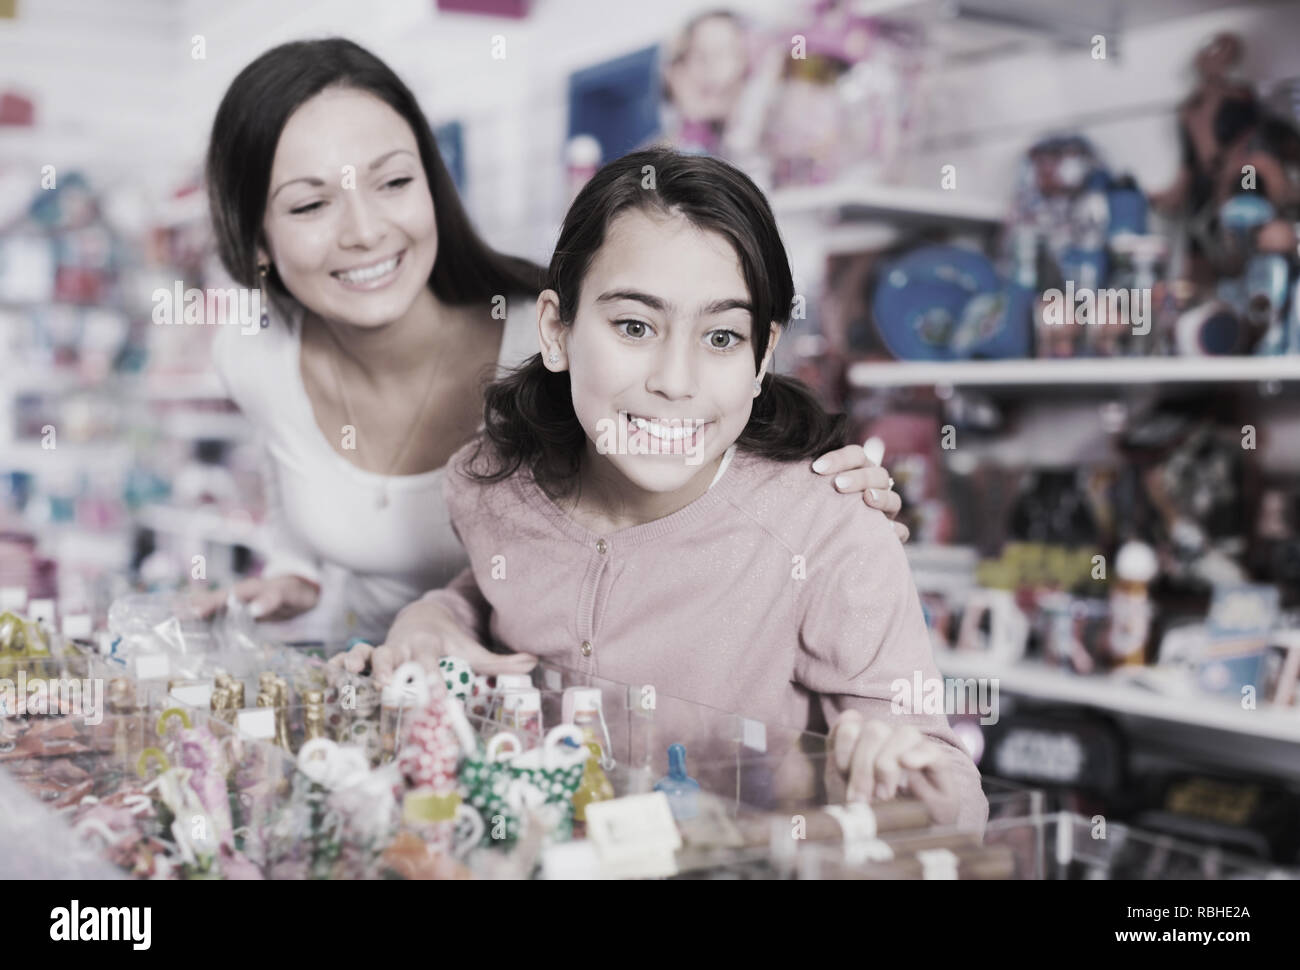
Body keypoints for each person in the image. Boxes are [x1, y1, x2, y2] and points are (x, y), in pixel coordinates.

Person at [343, 148, 987, 829]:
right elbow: (506, 586)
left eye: (720, 336)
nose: (676, 380)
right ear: (558, 331)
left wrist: (897, 767)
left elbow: (960, 805)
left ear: (762, 356)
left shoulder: (829, 530)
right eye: (634, 326)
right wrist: (435, 618)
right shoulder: (490, 489)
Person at [199, 38, 910, 654]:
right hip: (370, 695)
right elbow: (292, 500)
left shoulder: (569, 348)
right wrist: (295, 575)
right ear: (255, 236)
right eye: (310, 203)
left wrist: (826, 495)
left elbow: (690, 437)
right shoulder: (253, 355)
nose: (362, 231)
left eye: (393, 182)